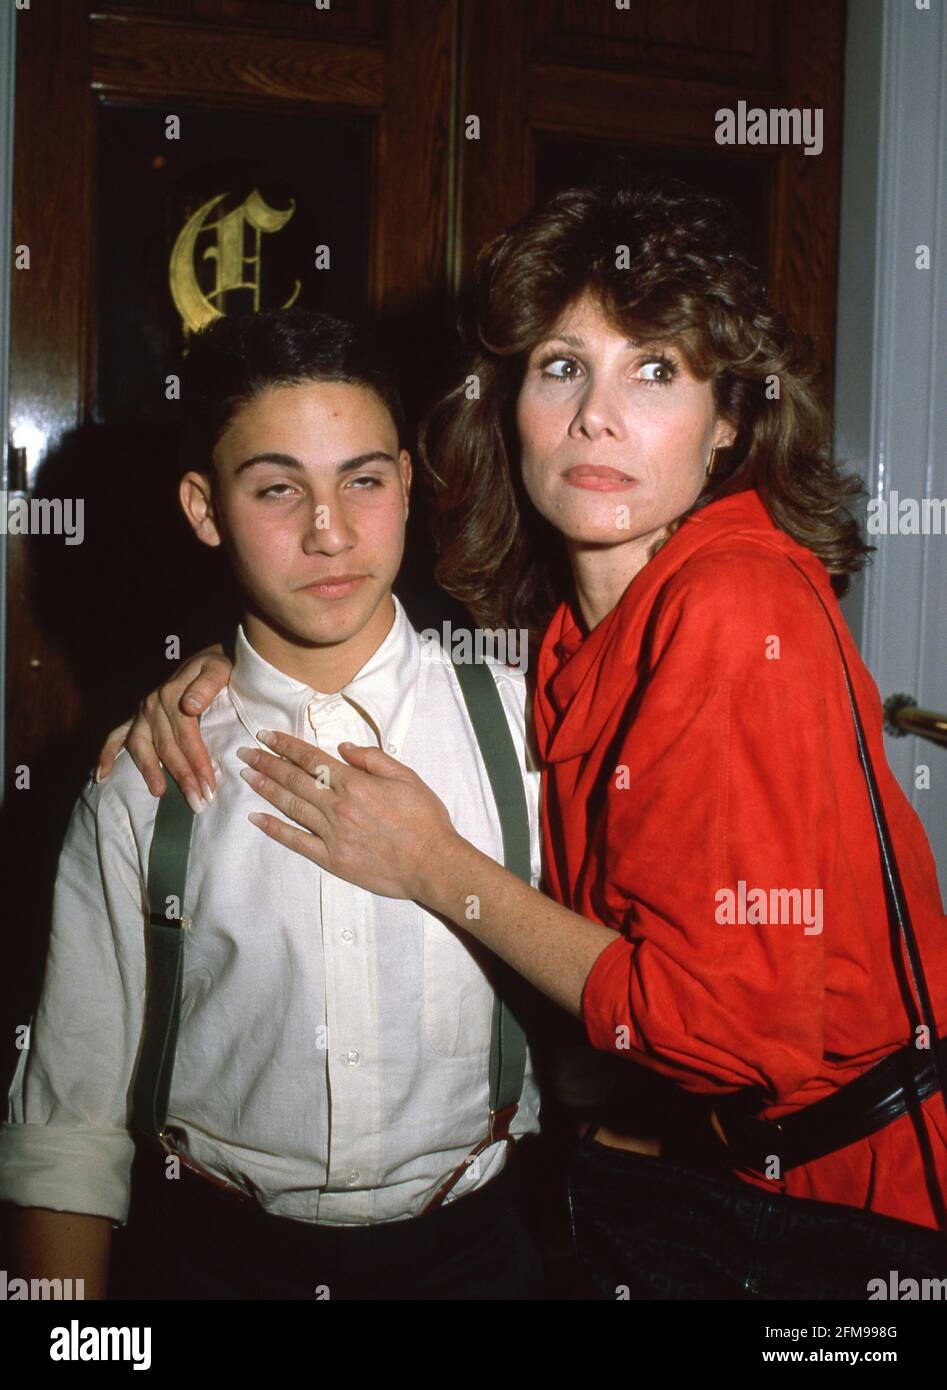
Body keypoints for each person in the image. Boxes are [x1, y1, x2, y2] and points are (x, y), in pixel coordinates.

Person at [96, 182, 947, 1288]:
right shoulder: (562, 634)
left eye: (655, 369)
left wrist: (433, 865)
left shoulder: (733, 603)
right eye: (561, 366)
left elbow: (727, 1031)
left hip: (860, 1211)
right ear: (507, 402)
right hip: (726, 1183)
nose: (598, 415)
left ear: (727, 420)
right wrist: (227, 669)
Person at [0, 307, 547, 1301]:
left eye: (363, 481)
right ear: (205, 510)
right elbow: (64, 1126)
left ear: (409, 486)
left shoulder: (522, 730)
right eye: (276, 488)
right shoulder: (141, 781)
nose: (328, 531)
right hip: (216, 1257)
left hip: (478, 1252)